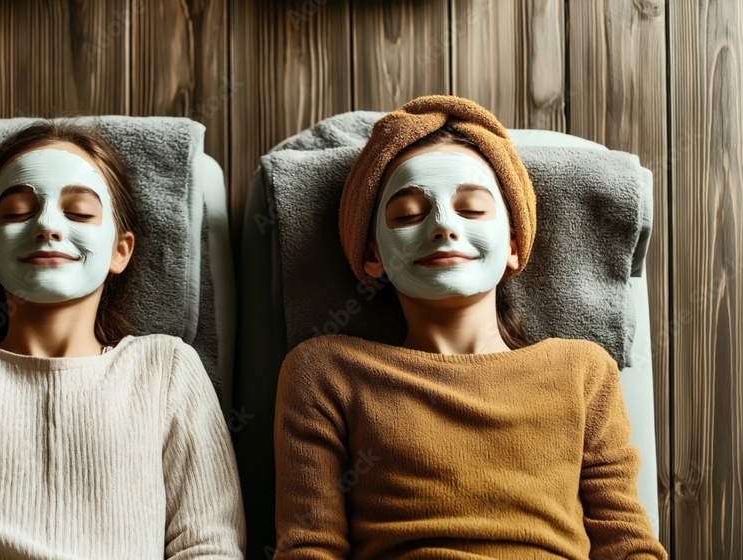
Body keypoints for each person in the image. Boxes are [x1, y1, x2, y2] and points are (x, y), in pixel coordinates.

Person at [272, 96, 667, 559]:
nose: (442, 226)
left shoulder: (582, 371)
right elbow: (309, 548)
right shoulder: (325, 372)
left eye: (473, 210)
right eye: (407, 214)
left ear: (514, 244)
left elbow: (628, 545)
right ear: (373, 254)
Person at [0, 121, 246, 559]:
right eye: (17, 212)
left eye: (80, 212)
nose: (47, 225)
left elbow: (208, 546)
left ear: (119, 250)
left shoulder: (167, 369)